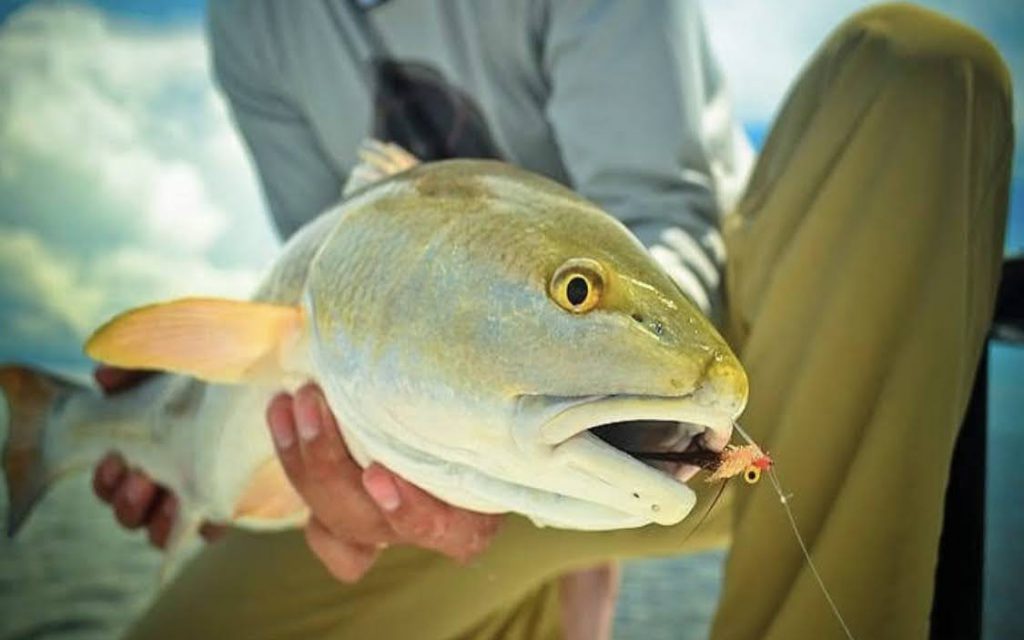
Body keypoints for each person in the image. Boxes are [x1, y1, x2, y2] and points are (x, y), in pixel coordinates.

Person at [91, 1, 1013, 638]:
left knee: (916, 66)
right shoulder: (252, 25)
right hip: (414, 465)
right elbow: (323, 265)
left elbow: (664, 212)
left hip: (747, 393)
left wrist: (609, 374)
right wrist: (288, 473)